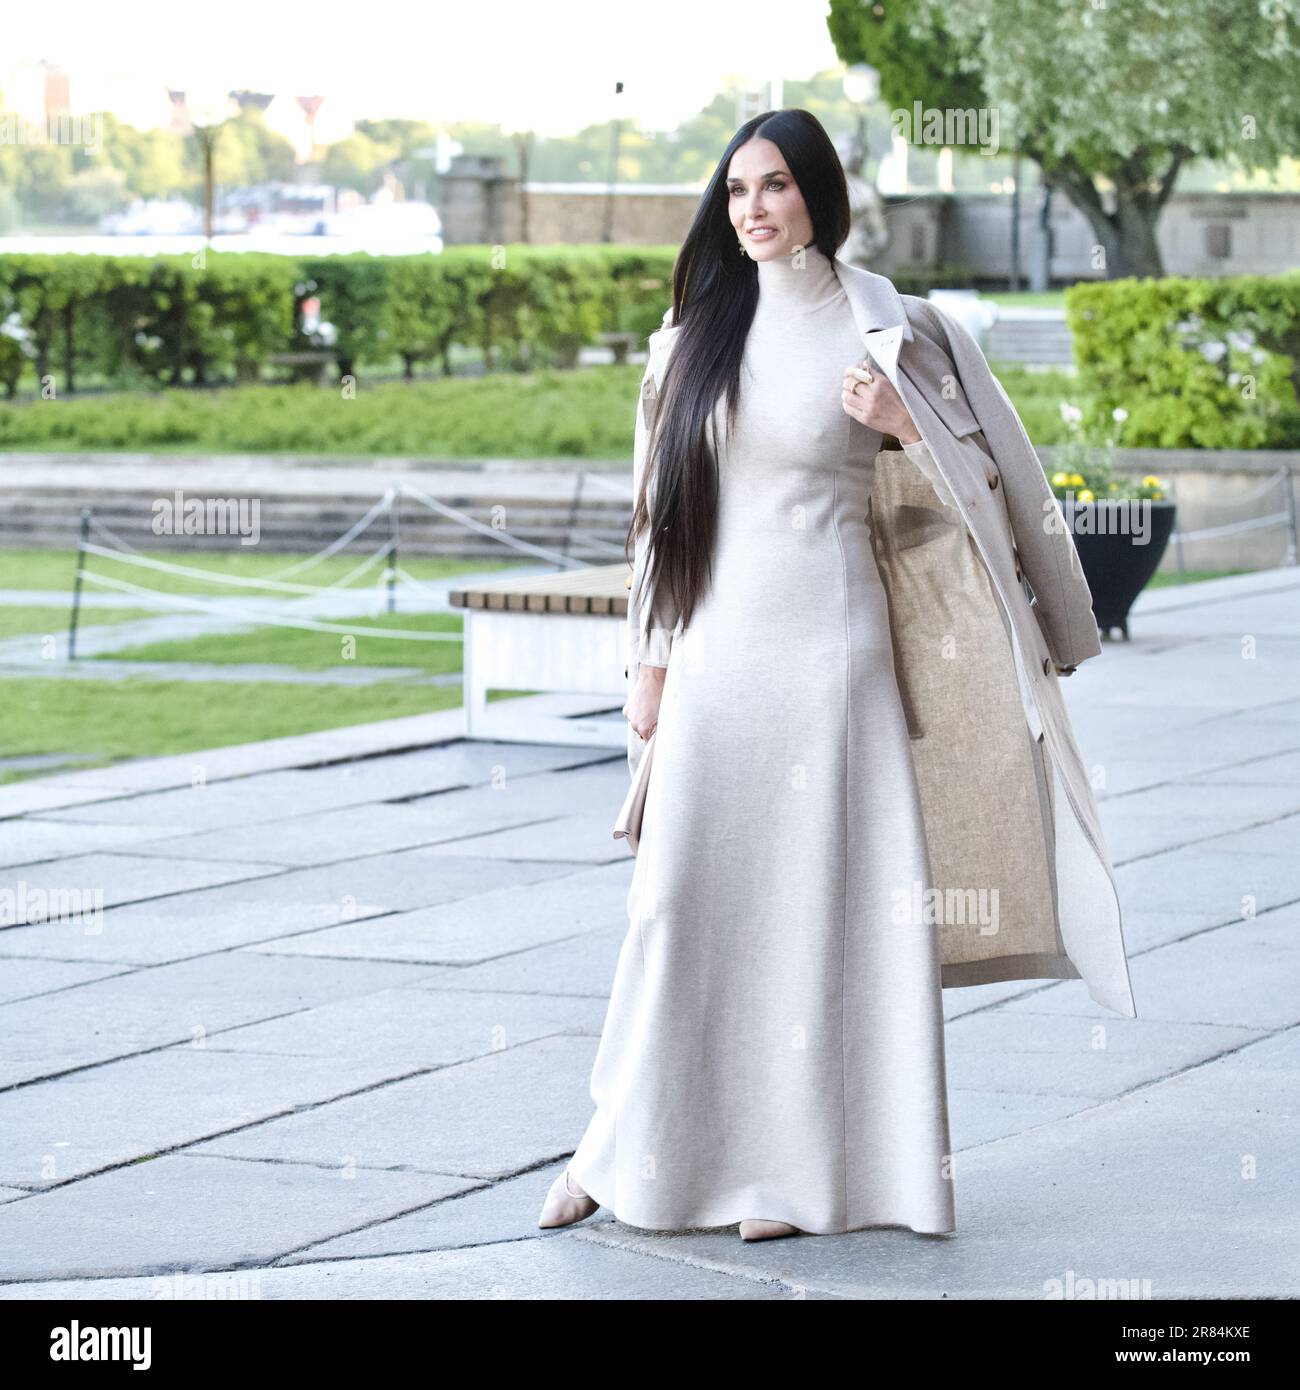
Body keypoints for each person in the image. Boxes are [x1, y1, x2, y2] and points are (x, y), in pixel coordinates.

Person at [538, 108, 963, 1242]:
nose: (753, 210)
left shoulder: (885, 325)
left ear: (817, 191)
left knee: (814, 919)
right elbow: (655, 520)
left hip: (834, 655)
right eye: (735, 193)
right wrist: (648, 669)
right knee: (672, 909)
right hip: (718, 656)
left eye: (772, 186)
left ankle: (787, 1176)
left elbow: (984, 491)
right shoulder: (691, 339)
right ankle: (612, 1147)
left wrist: (907, 424)